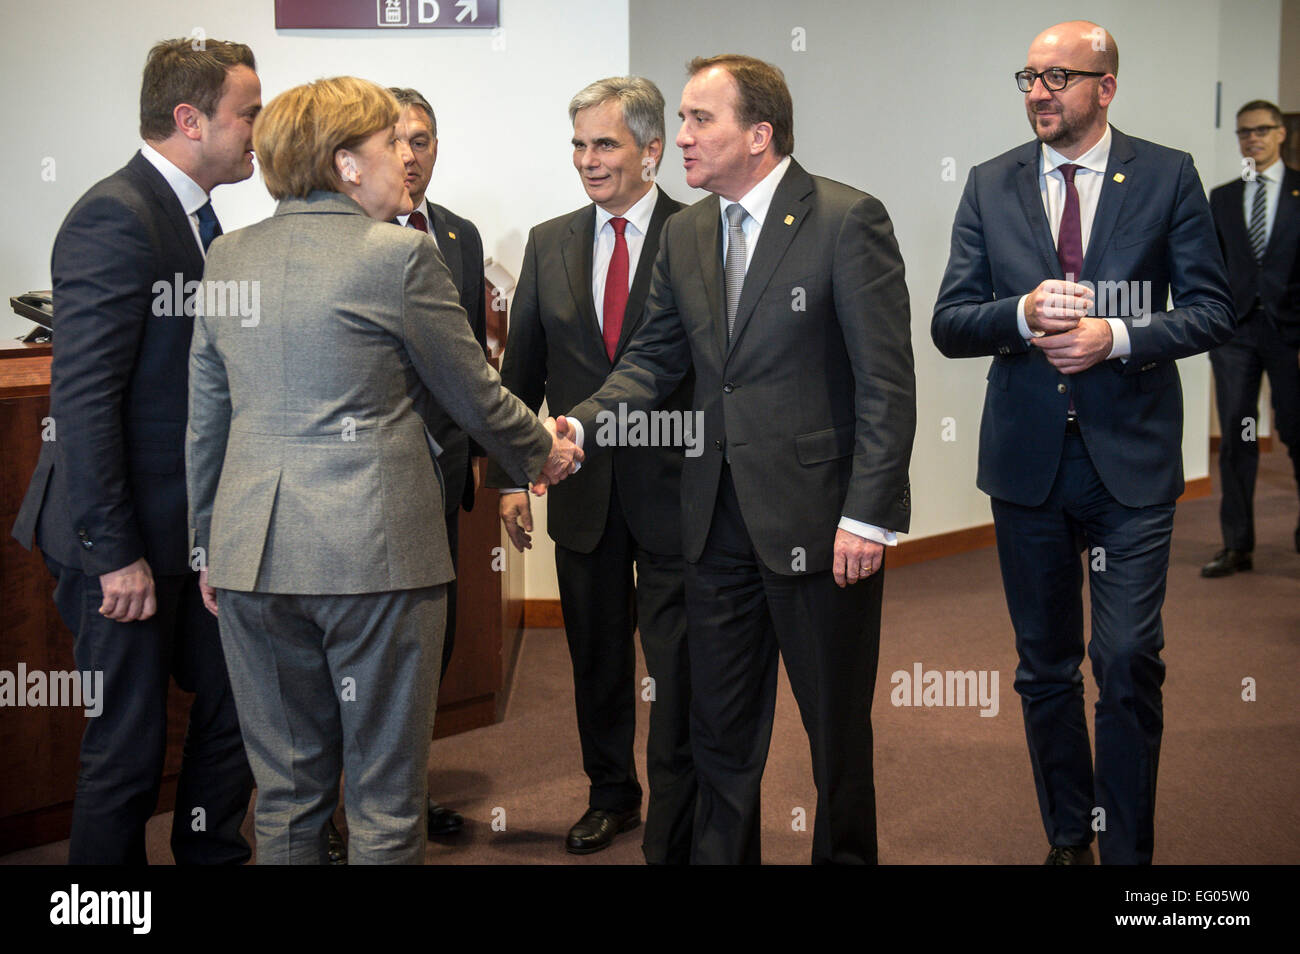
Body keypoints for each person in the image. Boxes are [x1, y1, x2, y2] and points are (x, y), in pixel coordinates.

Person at [187, 76, 581, 864]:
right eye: (385, 144)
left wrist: (207, 544)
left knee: (289, 796)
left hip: (250, 561)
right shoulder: (399, 255)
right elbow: (472, 392)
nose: (405, 157)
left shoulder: (229, 254)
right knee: (384, 798)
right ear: (345, 164)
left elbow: (208, 422)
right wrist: (544, 452)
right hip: (376, 560)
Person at [566, 55, 916, 864]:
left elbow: (886, 386)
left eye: (697, 120)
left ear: (759, 135)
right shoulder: (686, 231)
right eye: (682, 120)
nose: (677, 137)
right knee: (718, 737)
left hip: (824, 530)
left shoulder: (845, 219)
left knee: (835, 740)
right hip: (711, 530)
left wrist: (869, 515)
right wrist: (579, 430)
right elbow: (650, 362)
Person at [932, 21, 1235, 864]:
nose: (1039, 90)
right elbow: (951, 322)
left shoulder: (1168, 174)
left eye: (1059, 76)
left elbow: (1211, 309)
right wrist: (1021, 315)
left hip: (1130, 459)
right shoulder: (991, 184)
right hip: (1026, 464)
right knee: (1045, 667)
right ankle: (1069, 837)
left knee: (1129, 658)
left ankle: (1129, 855)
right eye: (1029, 75)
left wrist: (1120, 336)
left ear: (1105, 88)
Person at [11, 38, 260, 865]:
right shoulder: (115, 213)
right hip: (121, 549)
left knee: (230, 715)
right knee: (126, 748)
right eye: (247, 114)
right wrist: (116, 556)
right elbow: (82, 404)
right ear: (191, 120)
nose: (257, 130)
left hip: (193, 541)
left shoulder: (202, 218)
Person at [487, 76, 694, 861]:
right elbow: (524, 375)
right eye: (577, 144)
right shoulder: (550, 242)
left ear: (651, 149)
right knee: (596, 659)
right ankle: (611, 794)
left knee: (679, 664)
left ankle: (681, 802)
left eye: (603, 143)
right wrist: (512, 475)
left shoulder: (699, 233)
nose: (586, 160)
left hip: (680, 492)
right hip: (582, 492)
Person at [391, 85, 486, 840]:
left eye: (422, 139)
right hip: (371, 479)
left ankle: (406, 801)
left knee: (432, 646)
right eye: (396, 139)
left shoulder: (457, 235)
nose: (410, 154)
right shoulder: (345, 232)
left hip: (443, 476)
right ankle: (341, 816)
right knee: (367, 655)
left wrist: (488, 454)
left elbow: (472, 366)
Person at [1202, 99, 1300, 577]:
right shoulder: (1221, 197)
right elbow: (1208, 267)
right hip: (1235, 334)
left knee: (1296, 433)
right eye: (1244, 132)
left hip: (1290, 334)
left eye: (1262, 130)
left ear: (1281, 133)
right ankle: (1237, 545)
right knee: (1237, 440)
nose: (1252, 139)